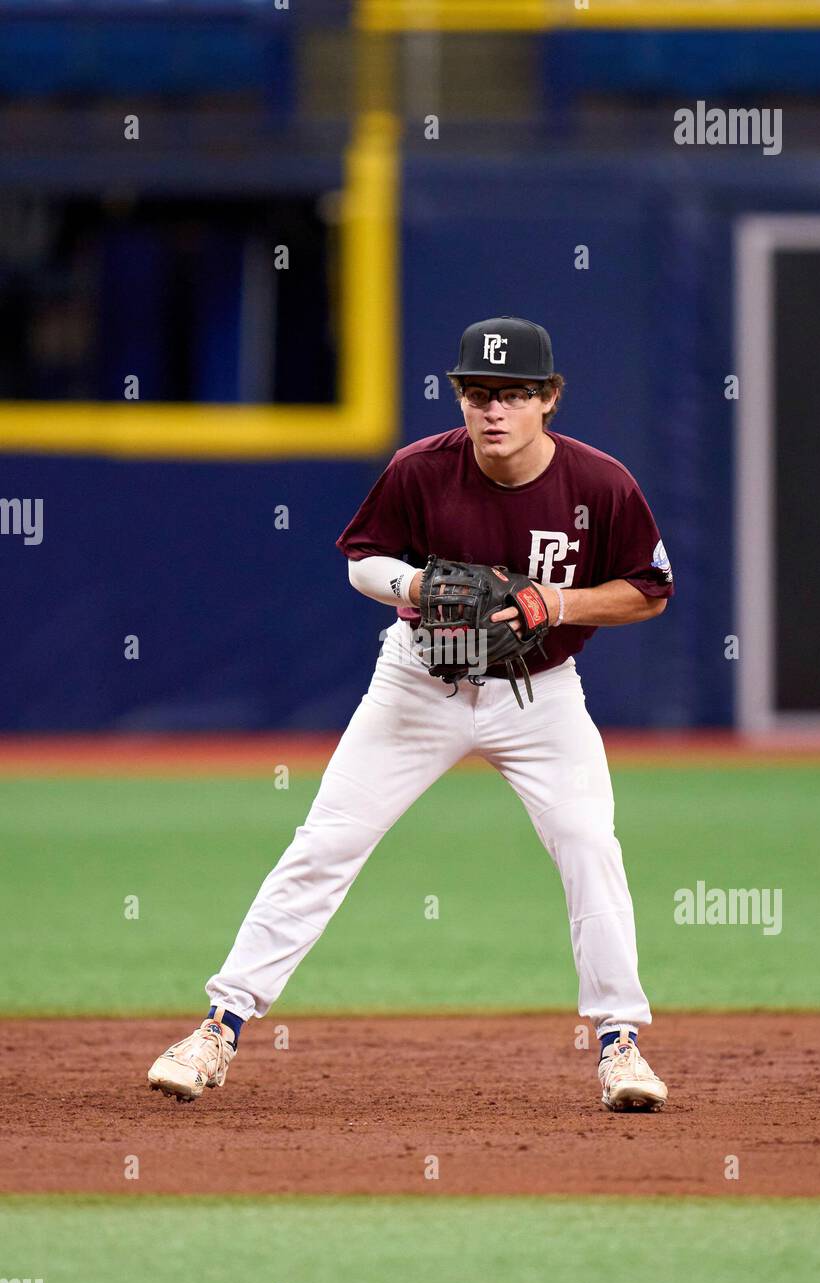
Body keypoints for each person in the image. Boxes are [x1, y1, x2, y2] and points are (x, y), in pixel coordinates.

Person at [148, 315, 673, 1113]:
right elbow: (364, 561)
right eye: (477, 393)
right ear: (459, 397)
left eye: (515, 394)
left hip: (539, 697)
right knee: (325, 844)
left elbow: (649, 589)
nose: (494, 410)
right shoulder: (421, 470)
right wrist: (420, 588)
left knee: (588, 842)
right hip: (418, 684)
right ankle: (218, 1027)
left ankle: (620, 1043)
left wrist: (554, 601)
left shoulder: (600, 485)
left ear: (550, 399)